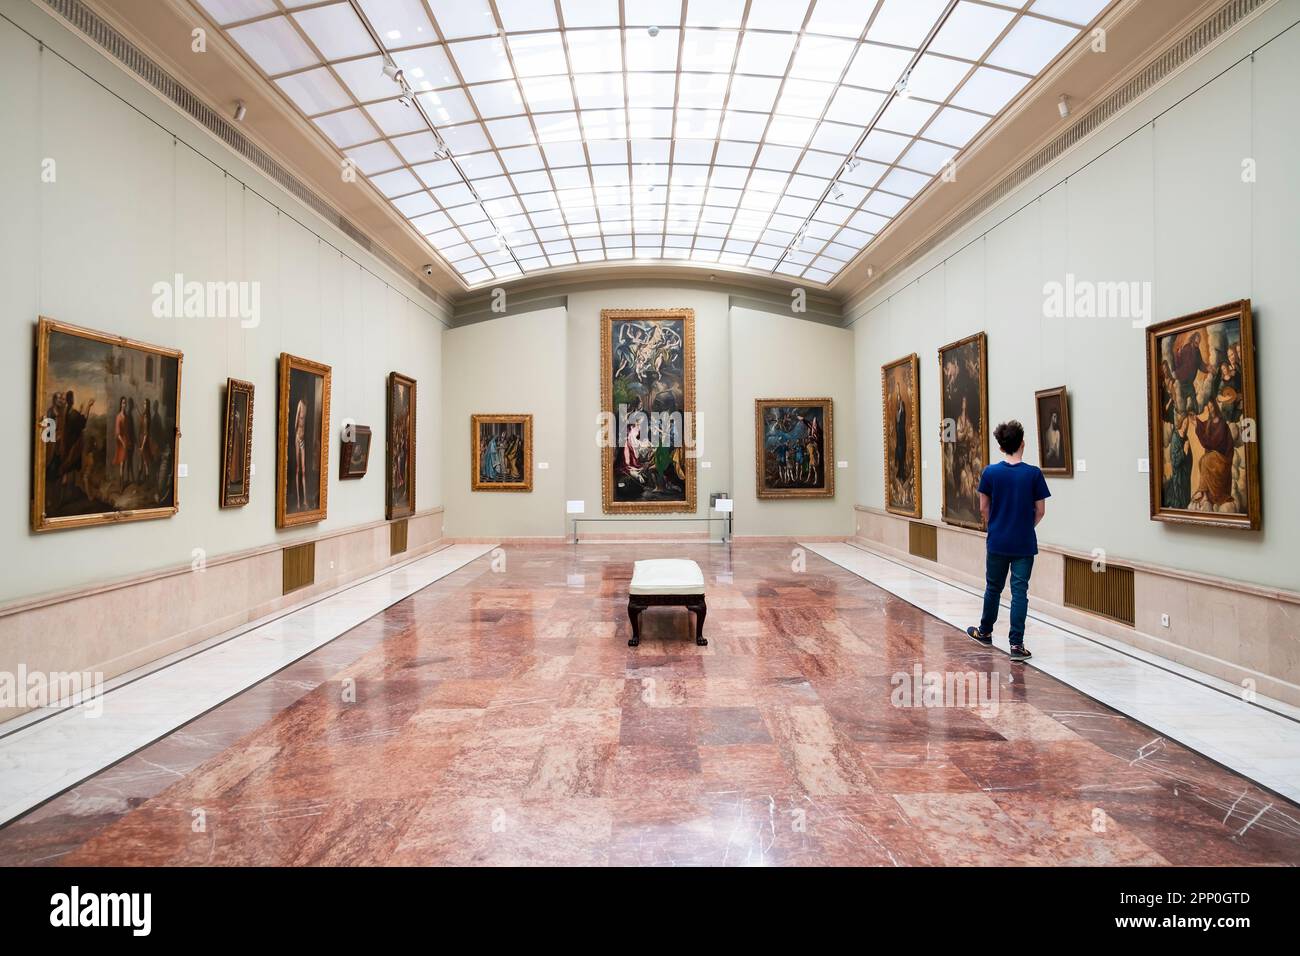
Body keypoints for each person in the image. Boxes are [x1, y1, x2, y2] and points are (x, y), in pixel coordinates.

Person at [966, 420, 1050, 662]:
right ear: (1022, 443)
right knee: (1019, 592)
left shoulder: (990, 472)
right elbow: (1041, 510)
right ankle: (1016, 645)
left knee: (993, 587)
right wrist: (1023, 527)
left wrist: (998, 525)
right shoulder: (1033, 474)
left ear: (1001, 448)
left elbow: (983, 507)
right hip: (1023, 542)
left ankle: (985, 631)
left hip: (998, 541)